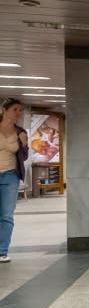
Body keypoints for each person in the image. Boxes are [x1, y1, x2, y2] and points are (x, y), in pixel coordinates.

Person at [0, 98, 29, 263]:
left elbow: (23, 156)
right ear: (5, 110)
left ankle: (2, 251)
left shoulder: (20, 132)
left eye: (20, 110)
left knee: (6, 215)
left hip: (11, 176)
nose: (18, 113)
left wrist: (24, 145)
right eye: (15, 110)